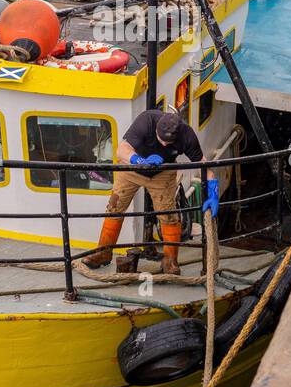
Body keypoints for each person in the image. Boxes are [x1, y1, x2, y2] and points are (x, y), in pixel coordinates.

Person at [86, 109, 218, 275]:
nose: (164, 145)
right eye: (161, 140)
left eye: (169, 143)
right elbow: (122, 149)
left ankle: (170, 261)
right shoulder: (146, 120)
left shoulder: (187, 135)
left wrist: (213, 188)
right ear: (156, 129)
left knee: (169, 215)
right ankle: (103, 253)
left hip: (162, 174)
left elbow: (203, 164)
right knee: (114, 207)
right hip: (131, 168)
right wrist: (139, 161)